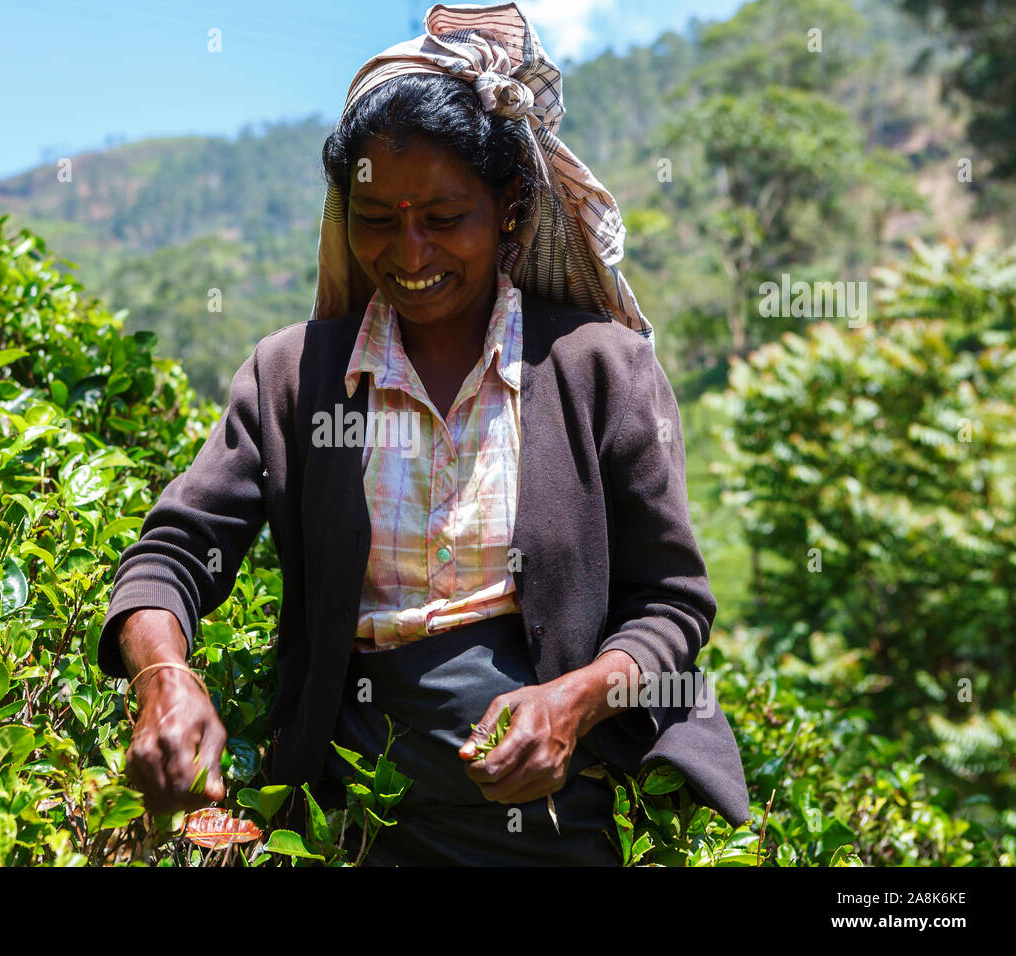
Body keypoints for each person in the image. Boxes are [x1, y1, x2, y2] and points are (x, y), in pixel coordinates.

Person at [98, 1, 749, 866]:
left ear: (508, 205)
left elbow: (670, 602)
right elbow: (173, 554)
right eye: (377, 219)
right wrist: (163, 676)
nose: (409, 254)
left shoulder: (599, 370)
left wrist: (575, 701)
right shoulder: (296, 378)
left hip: (563, 821)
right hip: (354, 825)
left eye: (443, 218)